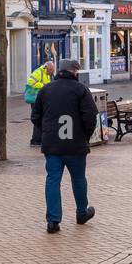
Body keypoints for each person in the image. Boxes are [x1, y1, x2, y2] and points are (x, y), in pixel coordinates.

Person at [30, 59, 98, 234]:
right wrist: (85, 135)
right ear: (74, 72)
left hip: (52, 145)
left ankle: (53, 221)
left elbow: (35, 116)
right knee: (78, 178)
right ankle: (82, 213)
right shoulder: (80, 90)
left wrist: (46, 131)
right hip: (75, 145)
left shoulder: (46, 90)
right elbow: (90, 116)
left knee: (53, 180)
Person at [24, 59, 55, 146]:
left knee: (41, 118)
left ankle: (38, 139)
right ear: (46, 68)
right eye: (51, 70)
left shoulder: (46, 74)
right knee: (39, 118)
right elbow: (31, 83)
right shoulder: (38, 72)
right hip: (35, 99)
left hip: (41, 99)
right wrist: (43, 86)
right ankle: (36, 140)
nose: (51, 72)